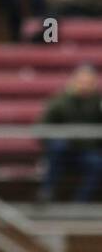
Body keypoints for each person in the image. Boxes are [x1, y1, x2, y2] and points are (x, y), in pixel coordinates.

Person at [38, 65, 102, 202]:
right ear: (73, 81)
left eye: (88, 83)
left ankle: (80, 203)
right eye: (81, 82)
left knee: (98, 164)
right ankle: (46, 192)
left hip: (87, 151)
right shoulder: (61, 101)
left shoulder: (98, 102)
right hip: (63, 150)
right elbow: (43, 126)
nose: (84, 86)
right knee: (57, 148)